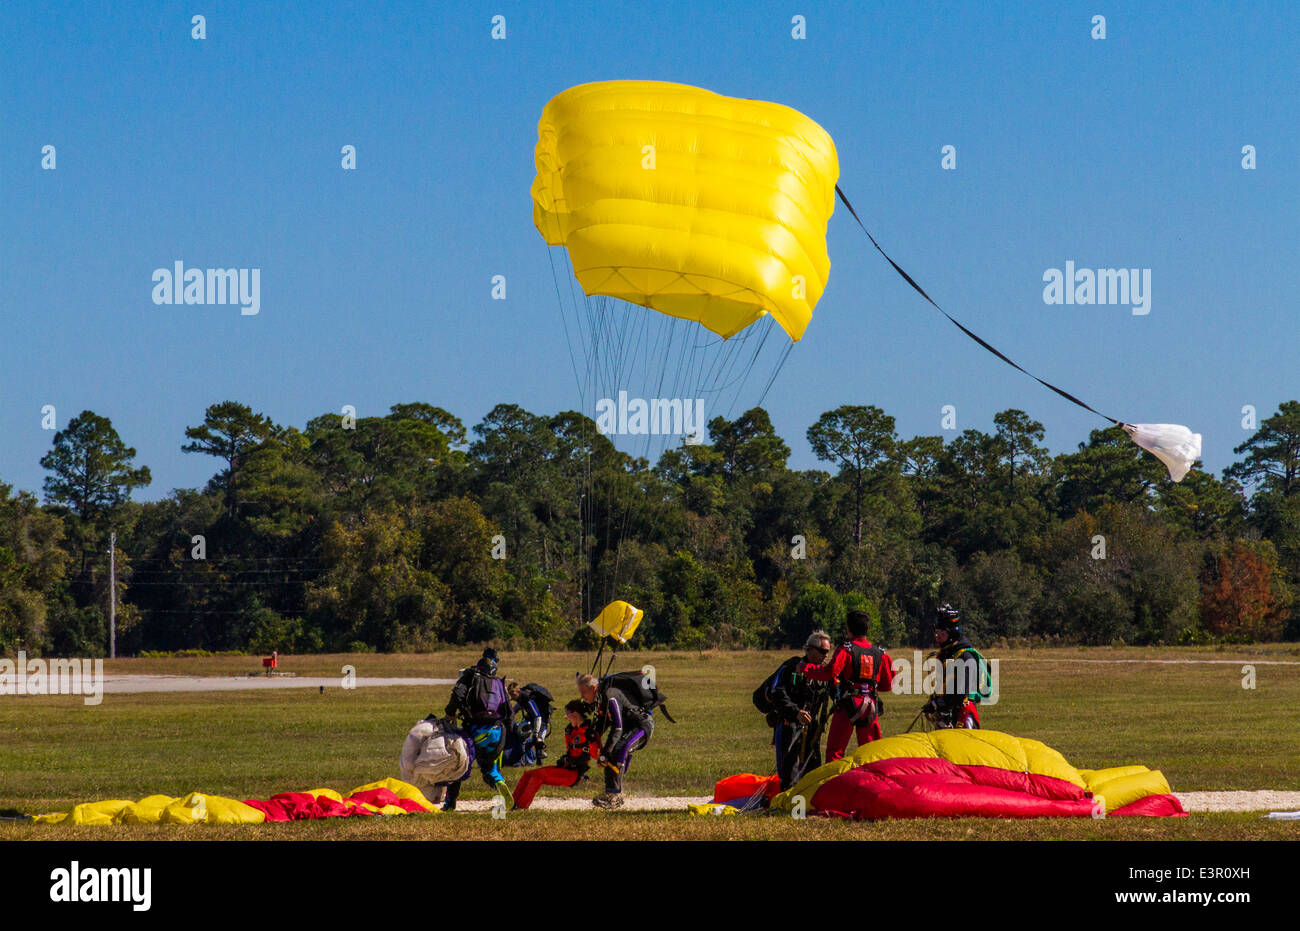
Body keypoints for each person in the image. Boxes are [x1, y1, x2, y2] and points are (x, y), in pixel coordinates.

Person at [801, 609, 896, 761]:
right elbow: (888, 685)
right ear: (867, 629)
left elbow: (829, 672)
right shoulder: (881, 653)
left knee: (835, 752)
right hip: (871, 705)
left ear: (848, 629)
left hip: (848, 705)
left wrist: (806, 668)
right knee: (871, 753)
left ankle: (835, 783)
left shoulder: (846, 649)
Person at [754, 630, 833, 789]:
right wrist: (796, 712)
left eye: (828, 652)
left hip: (810, 726)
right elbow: (777, 692)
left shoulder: (823, 673)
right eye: (822, 651)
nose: (826, 655)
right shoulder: (791, 666)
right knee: (790, 770)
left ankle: (809, 801)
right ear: (810, 649)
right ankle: (788, 802)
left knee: (813, 767)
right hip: (788, 722)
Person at [442, 648, 512, 810]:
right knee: (490, 769)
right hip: (497, 733)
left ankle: (450, 803)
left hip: (475, 730)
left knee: (458, 765)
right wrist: (507, 735)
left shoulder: (470, 677)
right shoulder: (499, 684)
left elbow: (457, 697)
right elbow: (508, 712)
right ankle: (499, 782)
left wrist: (450, 714)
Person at [578, 672, 652, 810]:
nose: (582, 696)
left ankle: (614, 797)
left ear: (593, 688)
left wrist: (605, 752)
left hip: (641, 726)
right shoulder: (600, 698)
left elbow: (617, 727)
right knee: (611, 753)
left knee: (618, 750)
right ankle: (612, 793)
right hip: (627, 728)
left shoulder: (609, 696)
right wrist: (593, 736)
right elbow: (603, 723)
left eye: (583, 692)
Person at [510, 699, 601, 810]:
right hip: (565, 768)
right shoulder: (570, 730)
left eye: (567, 715)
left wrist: (592, 742)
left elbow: (596, 755)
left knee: (538, 776)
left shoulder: (588, 731)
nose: (566, 717)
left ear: (575, 714)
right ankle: (511, 803)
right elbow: (570, 750)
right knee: (528, 774)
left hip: (574, 774)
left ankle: (521, 806)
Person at [922, 604, 990, 728]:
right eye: (936, 632)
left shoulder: (965, 656)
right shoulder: (946, 655)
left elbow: (961, 692)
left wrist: (939, 704)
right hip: (946, 716)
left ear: (951, 633)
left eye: (941, 633)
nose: (937, 636)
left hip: (963, 716)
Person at [503, 680, 554, 766]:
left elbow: (537, 716)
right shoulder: (520, 697)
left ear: (518, 691)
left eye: (513, 694)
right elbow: (516, 708)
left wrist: (536, 732)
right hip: (531, 716)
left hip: (542, 718)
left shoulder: (528, 699)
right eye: (510, 694)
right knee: (522, 732)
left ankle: (539, 757)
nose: (512, 697)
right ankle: (527, 755)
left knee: (538, 739)